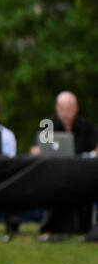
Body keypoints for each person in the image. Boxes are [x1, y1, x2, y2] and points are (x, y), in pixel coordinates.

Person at [33, 91, 98, 237]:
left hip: (82, 176)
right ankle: (50, 225)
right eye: (62, 109)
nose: (66, 113)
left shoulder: (87, 127)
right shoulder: (48, 125)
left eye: (69, 109)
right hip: (55, 176)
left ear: (76, 109)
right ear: (57, 109)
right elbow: (35, 149)